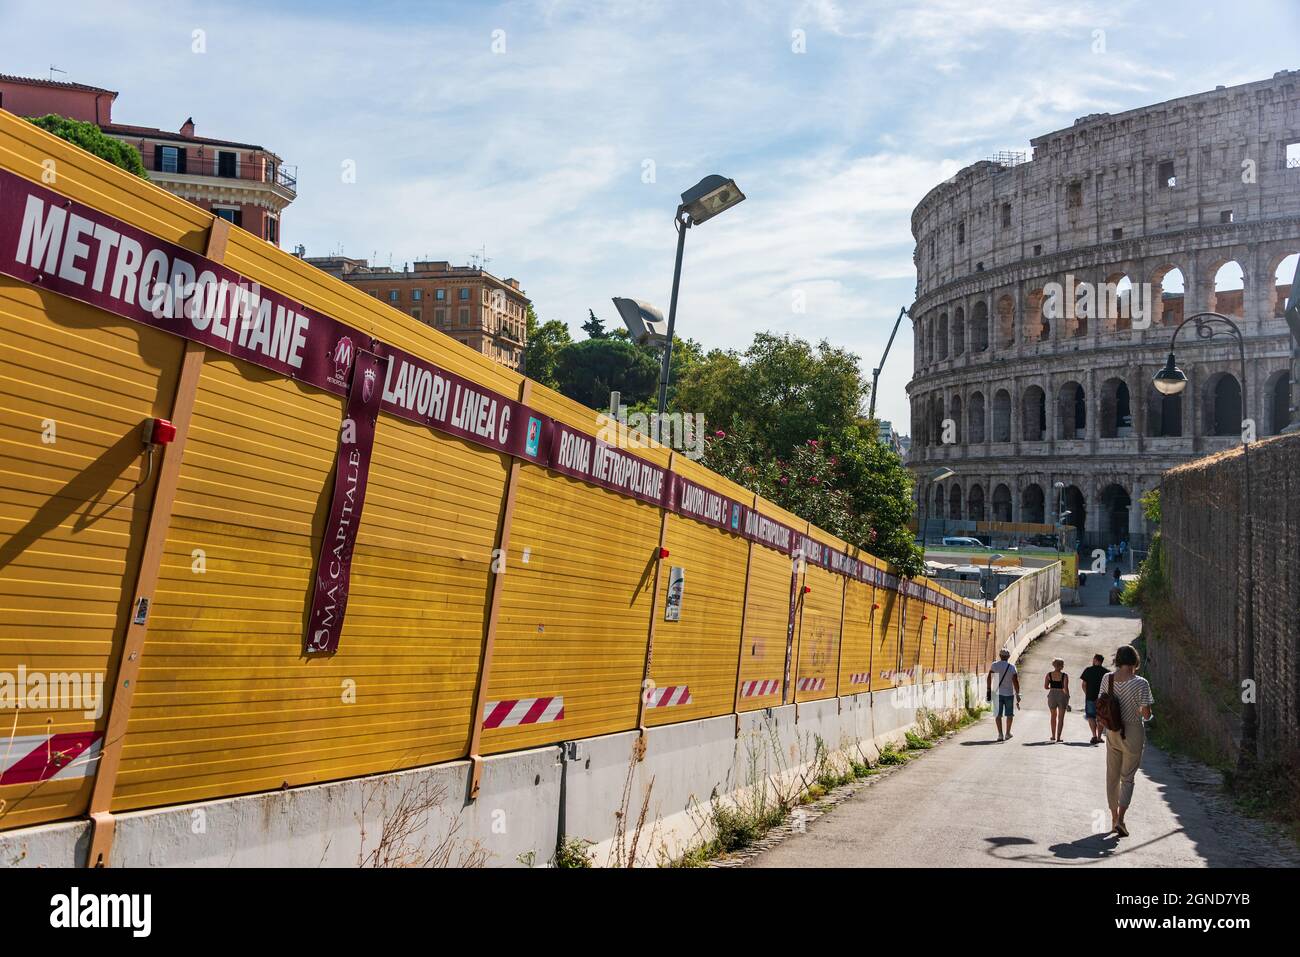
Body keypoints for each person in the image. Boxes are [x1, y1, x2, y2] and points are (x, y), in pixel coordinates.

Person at [1103, 644, 1154, 838]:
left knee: (1112, 776)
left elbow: (1102, 702)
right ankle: (1122, 819)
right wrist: (1147, 715)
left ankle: (1113, 818)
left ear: (1118, 660)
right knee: (1128, 778)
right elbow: (1146, 713)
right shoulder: (1141, 683)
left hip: (1112, 731)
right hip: (1133, 730)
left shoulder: (1107, 679)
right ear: (1135, 661)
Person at [986, 649, 1020, 741]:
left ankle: (1000, 734)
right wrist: (1018, 693)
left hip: (997, 693)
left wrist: (988, 689)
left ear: (1000, 656)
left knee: (998, 715)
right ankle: (1008, 733)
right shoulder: (1012, 667)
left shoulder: (995, 665)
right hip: (1009, 694)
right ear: (1008, 657)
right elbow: (1015, 681)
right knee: (1009, 714)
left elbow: (989, 677)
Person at [1079, 653, 1110, 744]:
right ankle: (1100, 737)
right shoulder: (1106, 672)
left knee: (1091, 716)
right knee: (1100, 718)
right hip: (1102, 699)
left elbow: (1084, 685)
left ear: (1095, 660)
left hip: (1090, 697)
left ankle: (1094, 735)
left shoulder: (1088, 670)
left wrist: (1087, 693)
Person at [1044, 658, 1069, 742]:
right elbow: (1065, 688)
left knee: (1053, 716)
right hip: (1061, 695)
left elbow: (1045, 687)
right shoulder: (1064, 676)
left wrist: (1052, 687)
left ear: (1054, 665)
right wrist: (1067, 697)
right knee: (1061, 718)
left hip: (1052, 695)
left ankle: (1053, 736)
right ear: (1062, 666)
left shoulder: (1049, 675)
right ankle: (1058, 737)